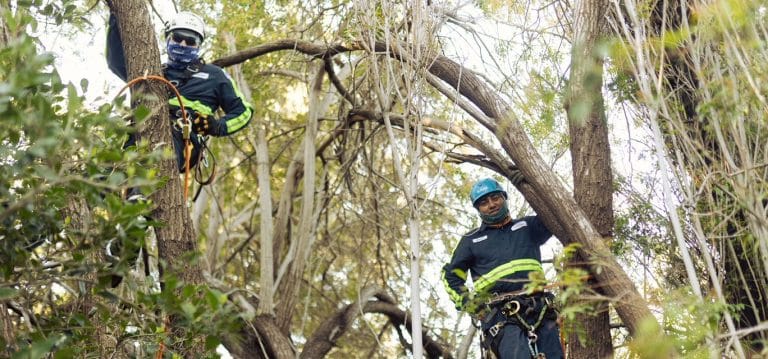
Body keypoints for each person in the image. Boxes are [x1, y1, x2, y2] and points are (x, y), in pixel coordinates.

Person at [106, 10, 254, 173]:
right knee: (103, 169)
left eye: (190, 40)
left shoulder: (215, 75)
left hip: (182, 138)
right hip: (139, 133)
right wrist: (116, 16)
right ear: (168, 38)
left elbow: (244, 112)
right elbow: (116, 62)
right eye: (178, 38)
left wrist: (217, 126)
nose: (183, 44)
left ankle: (139, 196)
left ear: (198, 45)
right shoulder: (152, 70)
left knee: (158, 162)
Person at [442, 178, 563, 359]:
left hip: (541, 310)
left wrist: (528, 183)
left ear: (504, 198)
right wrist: (470, 303)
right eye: (484, 203)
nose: (491, 205)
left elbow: (557, 212)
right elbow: (450, 275)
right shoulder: (471, 241)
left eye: (495, 198)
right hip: (502, 316)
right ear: (478, 209)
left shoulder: (528, 226)